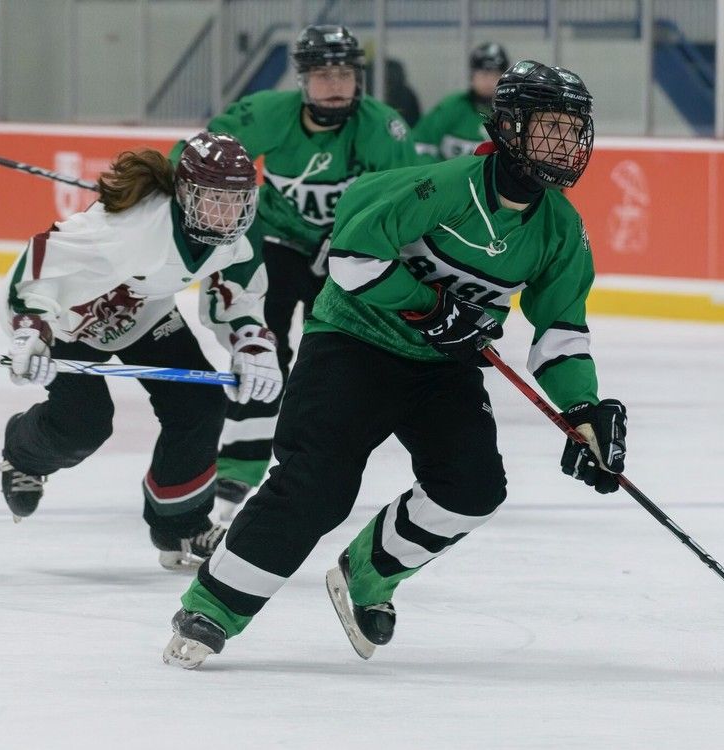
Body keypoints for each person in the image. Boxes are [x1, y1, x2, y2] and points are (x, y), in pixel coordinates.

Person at [162, 60, 628, 668]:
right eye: (550, 128)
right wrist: (432, 304)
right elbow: (353, 262)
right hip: (352, 342)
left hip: (441, 366)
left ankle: (369, 573)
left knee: (474, 488)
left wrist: (585, 409)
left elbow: (562, 331)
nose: (565, 144)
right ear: (511, 127)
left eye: (574, 130)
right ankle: (214, 607)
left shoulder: (561, 231)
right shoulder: (442, 187)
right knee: (317, 486)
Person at [0, 132, 283, 571]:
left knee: (200, 403)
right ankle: (23, 455)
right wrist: (30, 325)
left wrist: (250, 340)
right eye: (213, 198)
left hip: (142, 313)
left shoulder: (237, 230)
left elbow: (236, 292)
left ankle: (180, 522)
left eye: (237, 198)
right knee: (86, 423)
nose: (228, 213)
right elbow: (43, 254)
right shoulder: (131, 226)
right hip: (67, 319)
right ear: (186, 193)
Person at [172, 25, 417, 521]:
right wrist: (158, 181)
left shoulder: (382, 127)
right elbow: (197, 154)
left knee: (331, 361)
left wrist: (355, 238)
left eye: (345, 73)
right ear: (302, 80)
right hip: (280, 243)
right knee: (262, 345)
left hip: (348, 255)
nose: (335, 84)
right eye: (323, 73)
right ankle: (239, 465)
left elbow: (405, 201)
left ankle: (306, 466)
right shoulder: (265, 113)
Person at [412, 42, 509, 163]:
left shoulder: (511, 113)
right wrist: (439, 176)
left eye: (495, 75)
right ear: (472, 76)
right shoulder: (451, 107)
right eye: (484, 74)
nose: (489, 81)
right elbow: (420, 145)